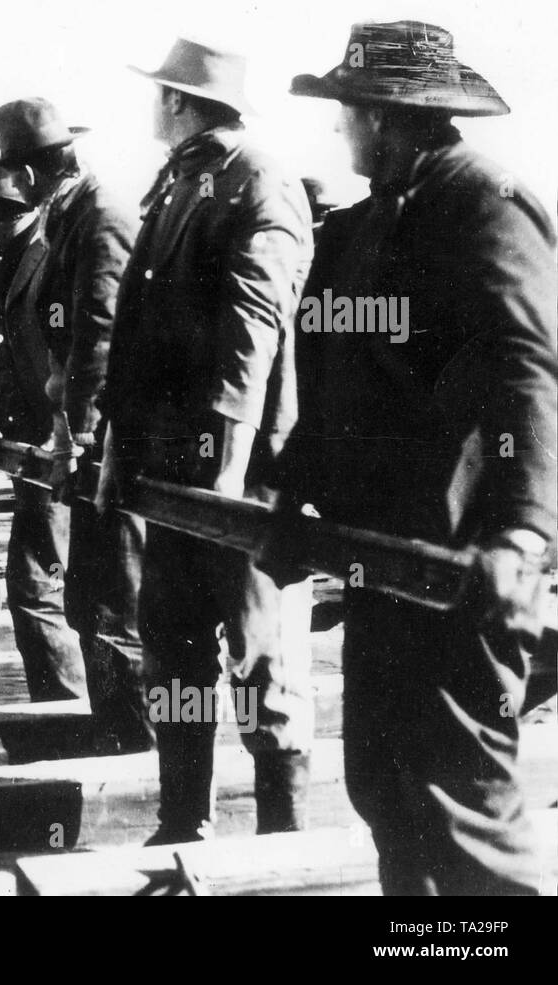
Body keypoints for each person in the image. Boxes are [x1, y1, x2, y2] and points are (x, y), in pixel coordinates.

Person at [280, 20, 556, 894]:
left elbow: (531, 370)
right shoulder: (361, 227)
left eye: (348, 112)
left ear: (387, 116)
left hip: (458, 560)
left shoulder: (481, 199)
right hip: (381, 559)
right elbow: (332, 380)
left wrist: (522, 534)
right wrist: (292, 500)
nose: (340, 129)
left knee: (464, 800)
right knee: (386, 785)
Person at [101, 38, 316, 843]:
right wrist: (122, 453)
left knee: (264, 665)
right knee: (175, 651)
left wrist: (226, 469)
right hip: (174, 478)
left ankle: (283, 851)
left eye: (159, 93)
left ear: (181, 103)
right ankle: (183, 822)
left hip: (243, 478)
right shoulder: (176, 186)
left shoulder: (257, 181)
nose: (152, 106)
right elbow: (133, 336)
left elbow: (251, 334)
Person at [0, 96, 139, 734]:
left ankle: (131, 740)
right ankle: (111, 728)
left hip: (106, 444)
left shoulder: (98, 215)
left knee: (113, 605)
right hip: (84, 441)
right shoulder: (73, 215)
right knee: (89, 598)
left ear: (26, 177)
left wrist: (76, 438)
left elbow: (99, 338)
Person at [0, 155, 90, 708]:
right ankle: (62, 706)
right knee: (38, 587)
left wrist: (65, 437)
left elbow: (71, 354)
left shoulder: (44, 256)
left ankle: (67, 710)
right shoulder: (9, 262)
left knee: (40, 589)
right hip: (28, 454)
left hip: (56, 453)